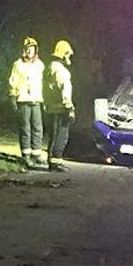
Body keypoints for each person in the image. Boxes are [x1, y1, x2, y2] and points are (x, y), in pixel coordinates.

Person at [8, 36, 46, 169]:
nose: (30, 51)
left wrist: (44, 99)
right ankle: (26, 155)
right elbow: (13, 82)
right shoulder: (17, 65)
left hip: (36, 100)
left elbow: (42, 83)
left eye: (33, 49)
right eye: (28, 49)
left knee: (38, 128)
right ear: (24, 50)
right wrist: (13, 98)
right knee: (25, 129)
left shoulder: (40, 65)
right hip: (23, 100)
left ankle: (37, 154)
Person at [44, 40, 75, 172]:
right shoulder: (62, 71)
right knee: (61, 136)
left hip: (51, 108)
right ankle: (56, 162)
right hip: (61, 108)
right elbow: (65, 91)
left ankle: (52, 162)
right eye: (68, 55)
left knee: (53, 135)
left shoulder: (50, 68)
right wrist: (70, 107)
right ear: (64, 54)